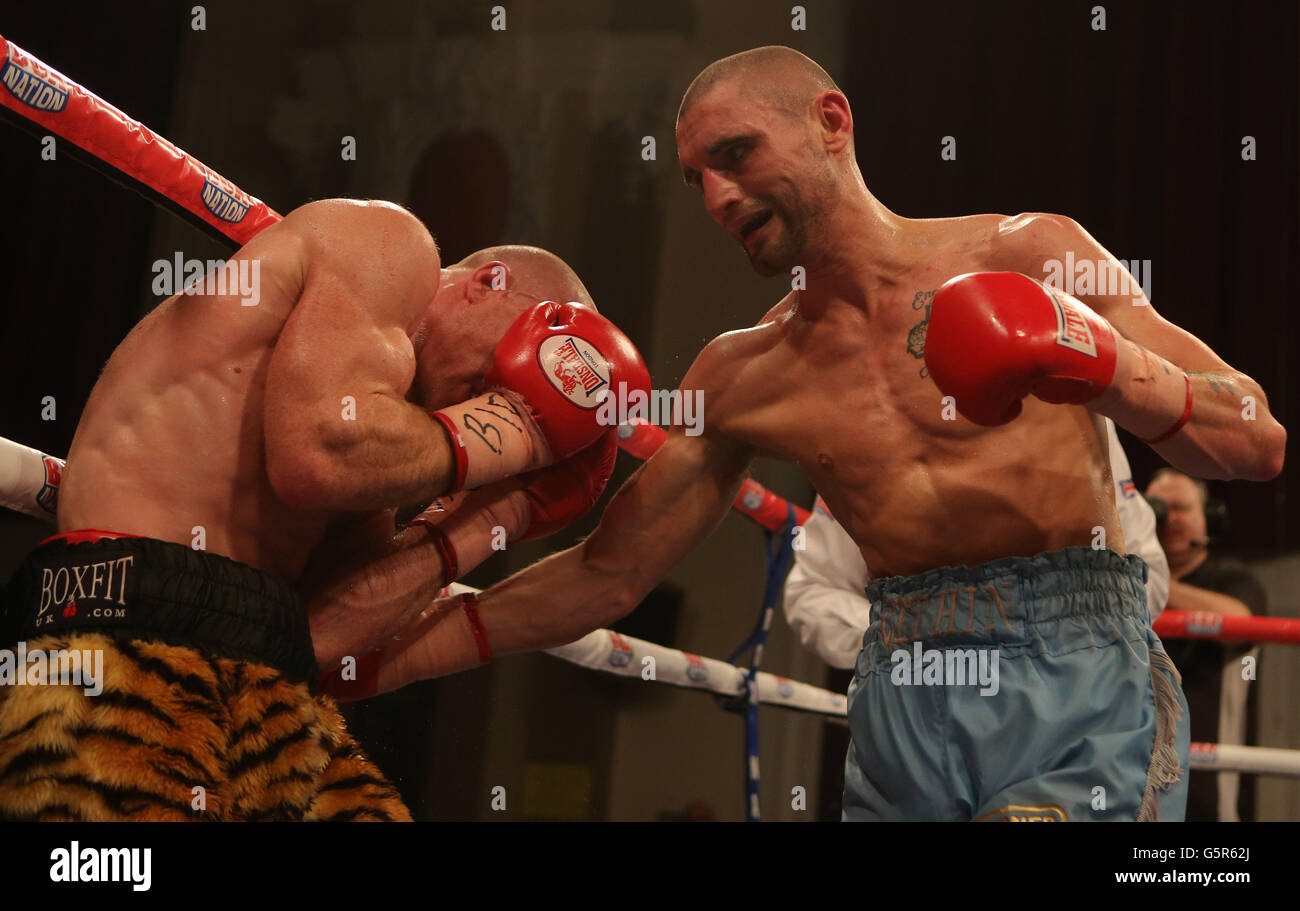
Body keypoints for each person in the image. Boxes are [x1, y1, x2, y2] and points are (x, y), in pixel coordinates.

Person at [347, 48, 1285, 821]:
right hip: (899, 698)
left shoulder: (1030, 252)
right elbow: (607, 572)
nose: (716, 197)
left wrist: (1108, 362)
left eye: (737, 154)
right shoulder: (742, 373)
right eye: (696, 179)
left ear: (831, 123)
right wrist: (375, 658)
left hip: (1077, 674)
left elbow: (1256, 438)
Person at [0, 198, 648, 821]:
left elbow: (324, 641)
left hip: (265, 675)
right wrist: (518, 428)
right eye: (532, 357)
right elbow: (315, 456)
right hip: (126, 625)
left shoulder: (391, 436)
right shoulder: (387, 244)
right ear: (487, 283)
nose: (517, 385)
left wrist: (494, 515)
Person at [784, 419, 1170, 671]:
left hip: (1069, 694)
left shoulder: (1080, 415)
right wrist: (911, 641)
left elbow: (1147, 575)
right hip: (918, 701)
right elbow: (813, 591)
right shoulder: (872, 424)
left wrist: (1056, 639)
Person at [1145, 468, 1268, 821]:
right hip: (1133, 772)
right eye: (1158, 510)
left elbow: (1239, 621)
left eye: (1181, 508)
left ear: (1209, 518)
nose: (1170, 520)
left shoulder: (1234, 579)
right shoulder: (1124, 584)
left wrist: (1151, 583)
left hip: (1209, 788)